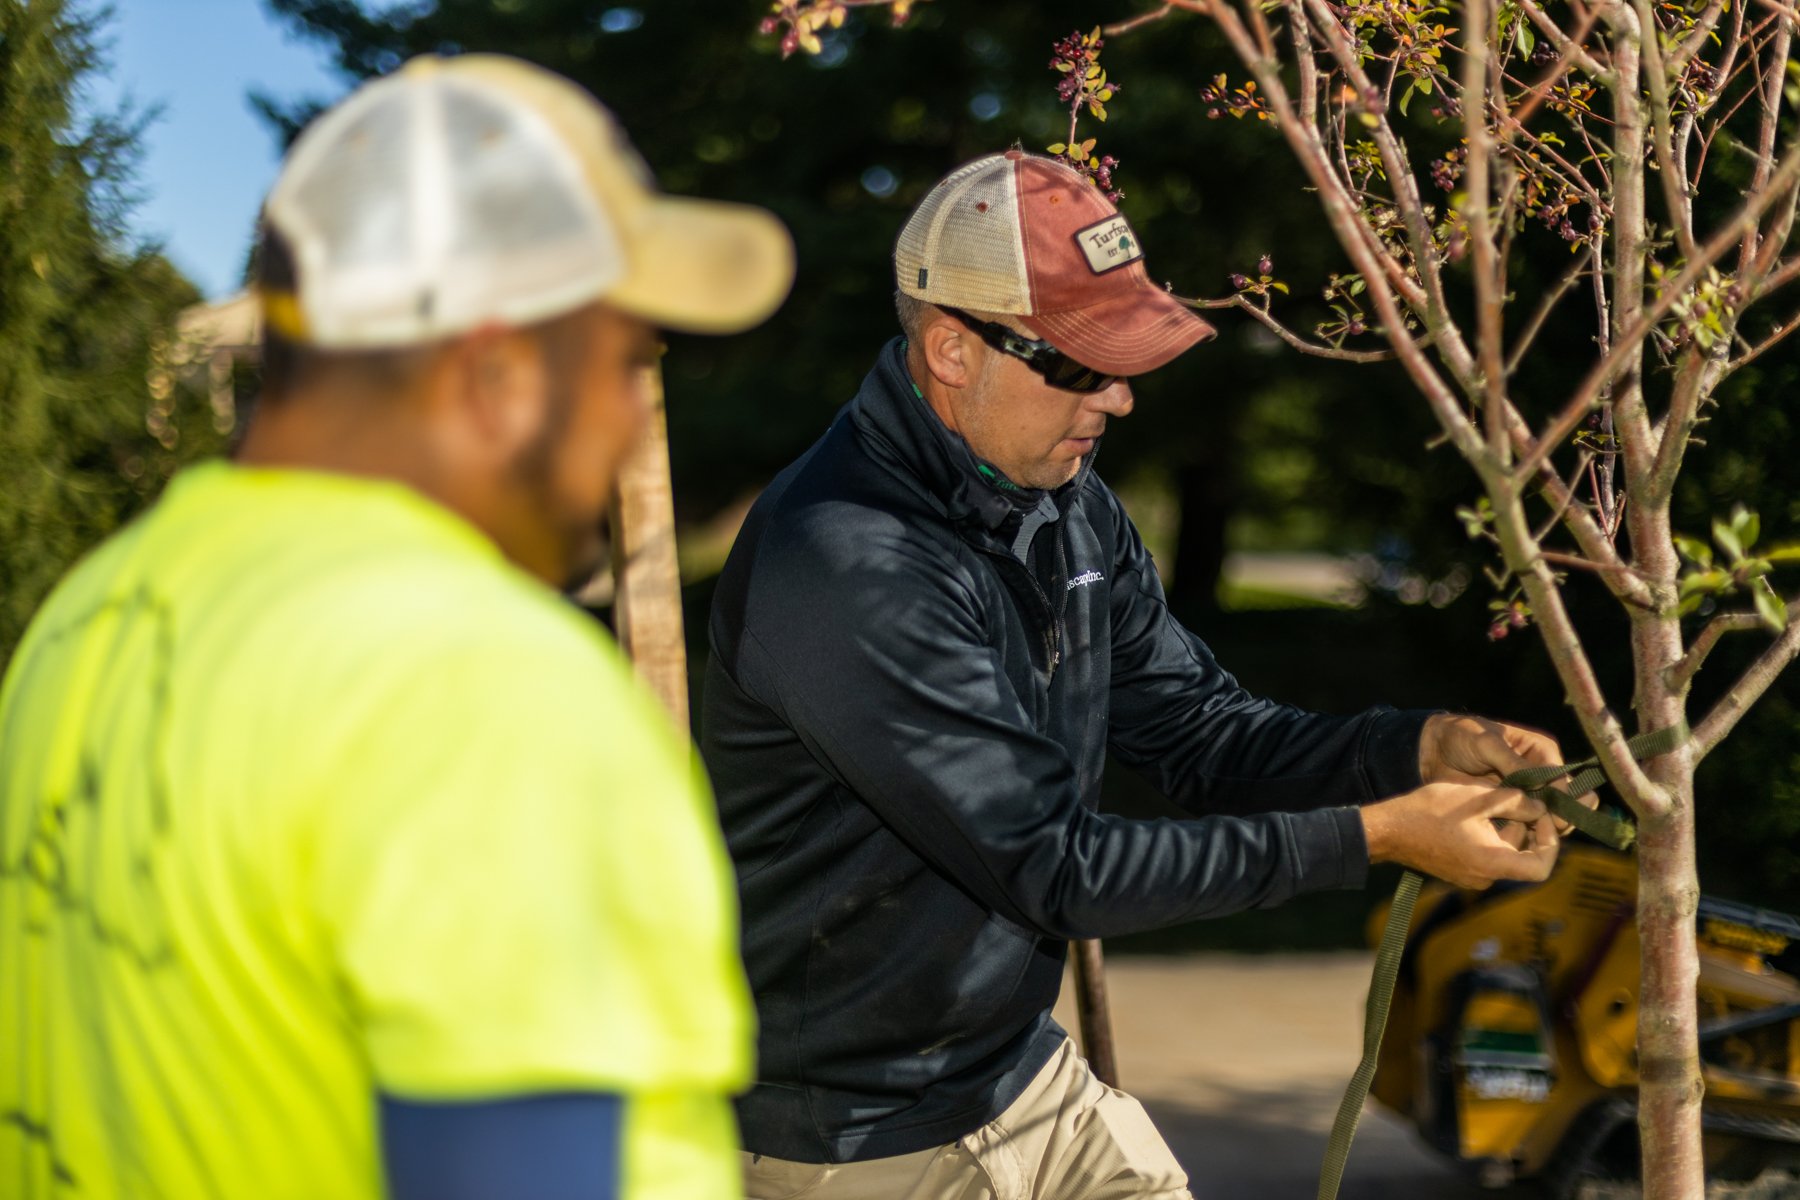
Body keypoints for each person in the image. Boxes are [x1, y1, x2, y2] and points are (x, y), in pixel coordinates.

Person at [701, 149, 1568, 1200]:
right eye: (1077, 363)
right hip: (853, 1140)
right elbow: (1056, 871)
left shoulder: (1064, 503)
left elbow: (1204, 737)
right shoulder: (849, 564)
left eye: (1125, 362)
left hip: (1020, 1079)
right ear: (950, 351)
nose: (1117, 399)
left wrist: (1414, 748)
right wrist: (1378, 836)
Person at [0, 55, 792, 1200]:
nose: (631, 413)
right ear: (498, 372)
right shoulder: (483, 687)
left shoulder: (86, 625)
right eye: (622, 360)